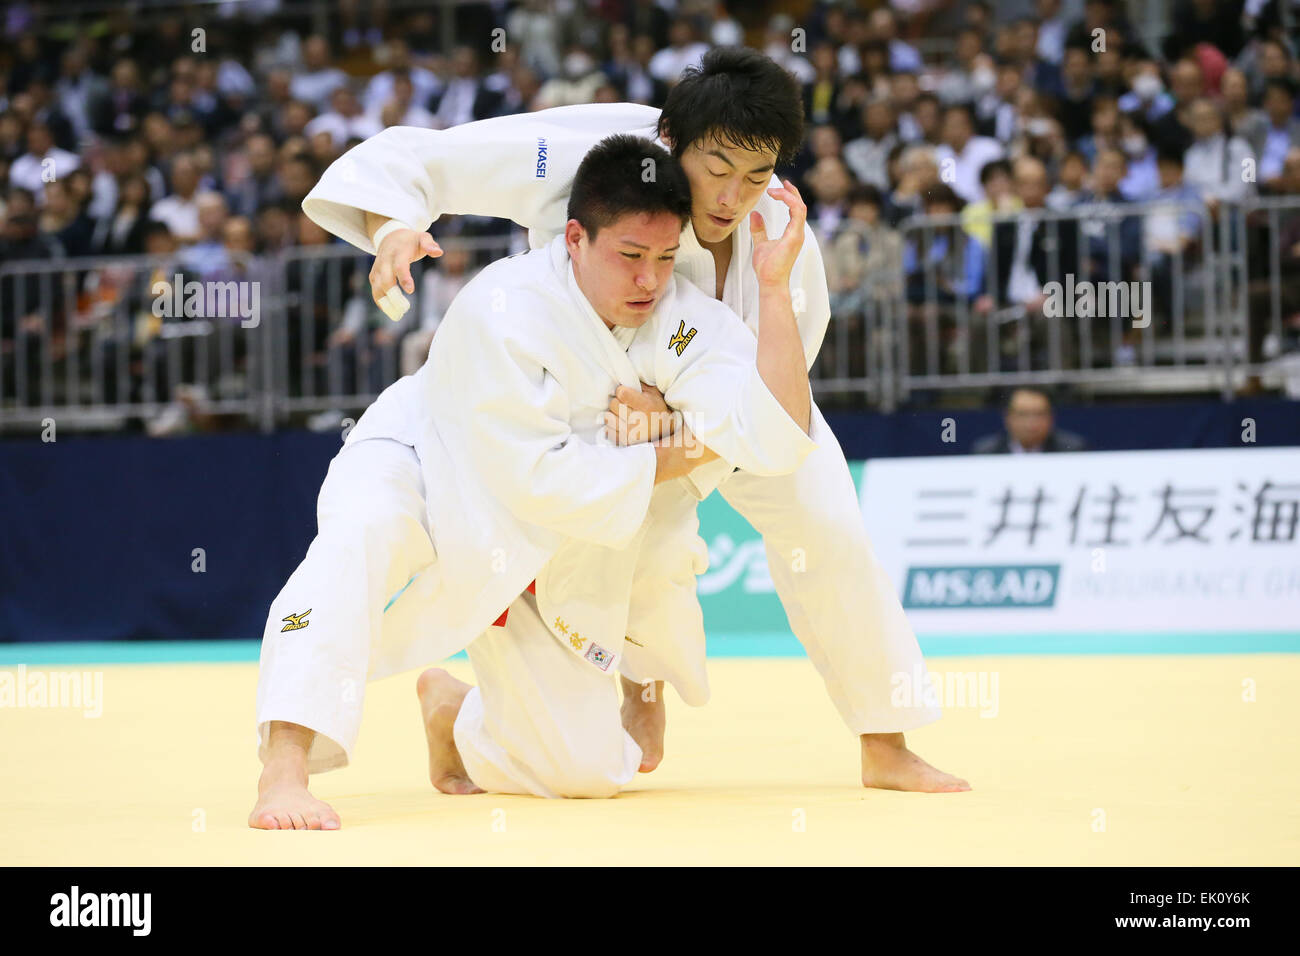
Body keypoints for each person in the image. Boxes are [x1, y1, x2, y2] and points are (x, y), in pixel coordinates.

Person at [304, 47, 968, 794]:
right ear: (671, 138)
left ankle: (885, 742)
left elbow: (791, 365)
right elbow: (427, 158)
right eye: (716, 169)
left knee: (832, 527)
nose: (734, 195)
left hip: (738, 411)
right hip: (601, 412)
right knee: (628, 537)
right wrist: (394, 226)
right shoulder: (593, 153)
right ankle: (624, 688)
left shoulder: (779, 223)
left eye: (757, 173)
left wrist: (683, 416)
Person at [251, 135, 816, 826]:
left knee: (590, 774)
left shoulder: (676, 316)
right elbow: (540, 476)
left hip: (533, 537)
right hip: (425, 463)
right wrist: (681, 442)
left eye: (667, 258)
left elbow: (780, 435)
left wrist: (776, 288)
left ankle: (456, 716)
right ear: (574, 237)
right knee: (361, 537)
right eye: (630, 257)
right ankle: (283, 769)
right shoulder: (503, 307)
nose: (650, 280)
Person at [971, 387, 1088, 453]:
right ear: (1008, 418)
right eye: (1023, 415)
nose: (1031, 423)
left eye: (1039, 414)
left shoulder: (1071, 450)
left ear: (1051, 418)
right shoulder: (987, 452)